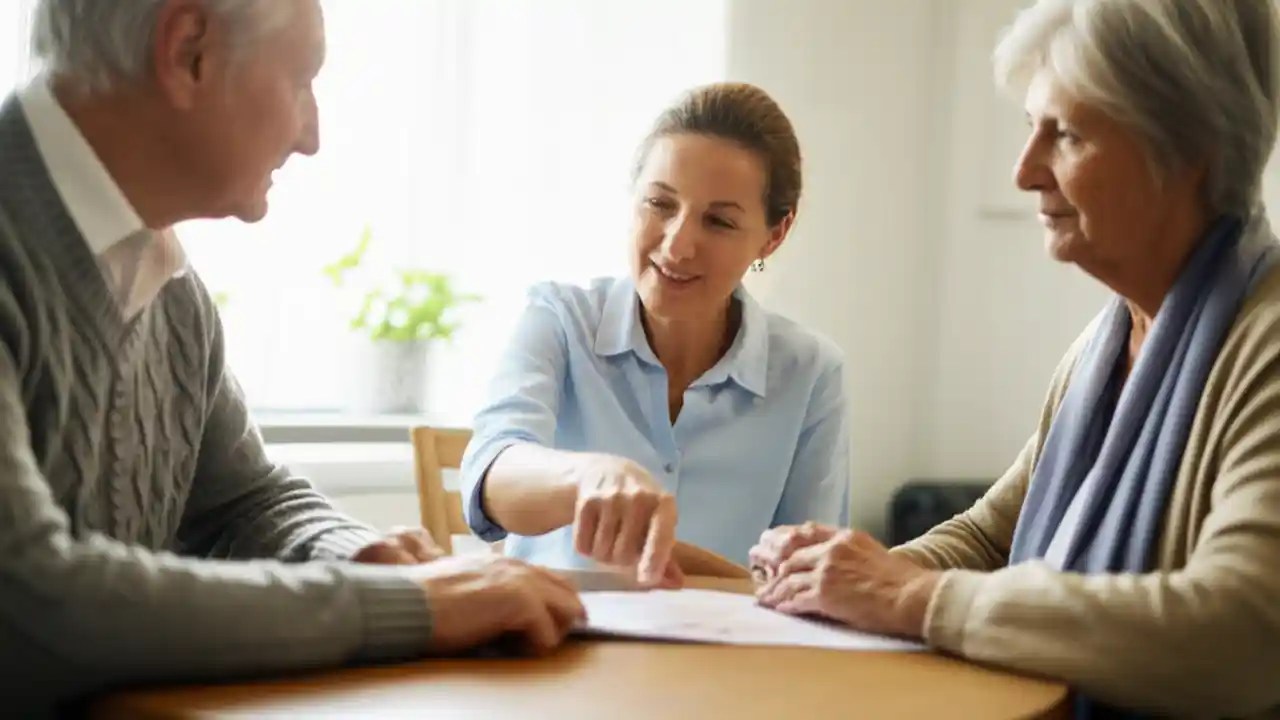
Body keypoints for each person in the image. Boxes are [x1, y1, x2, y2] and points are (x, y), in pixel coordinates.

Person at [0, 1, 583, 714]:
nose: (312, 135)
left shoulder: (169, 288)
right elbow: (25, 603)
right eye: (302, 79)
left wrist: (355, 554)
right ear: (188, 52)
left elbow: (240, 504)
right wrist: (415, 607)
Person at [750, 0, 1280, 716]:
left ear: (1190, 150)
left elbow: (1245, 634)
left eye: (1067, 135)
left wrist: (910, 597)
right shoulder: (1103, 347)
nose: (1024, 172)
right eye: (1032, 127)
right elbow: (990, 536)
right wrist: (836, 579)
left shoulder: (1266, 343)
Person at [459, 82, 850, 587]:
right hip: (556, 630)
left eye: (718, 221)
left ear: (774, 235)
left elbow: (807, 578)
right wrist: (589, 478)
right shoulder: (559, 318)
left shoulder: (811, 373)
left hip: (728, 638)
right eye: (660, 204)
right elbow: (491, 474)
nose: (677, 245)